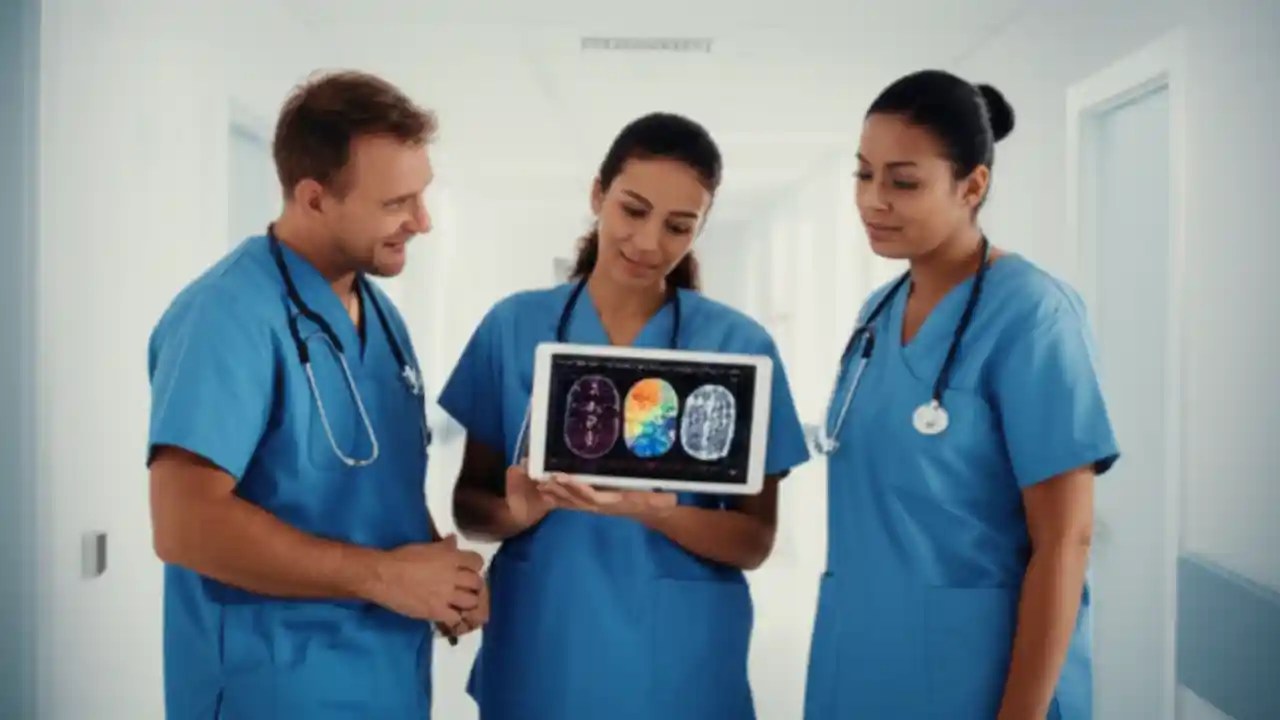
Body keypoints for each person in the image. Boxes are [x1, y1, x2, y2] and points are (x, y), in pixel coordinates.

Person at [438, 112, 811, 720]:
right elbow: (470, 506)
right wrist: (518, 510)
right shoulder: (513, 327)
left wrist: (655, 513)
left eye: (678, 226)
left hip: (680, 659)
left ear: (699, 229)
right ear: (598, 195)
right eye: (633, 211)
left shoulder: (738, 346)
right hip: (544, 645)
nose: (649, 243)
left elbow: (754, 540)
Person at [146, 70, 488, 720]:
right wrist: (386, 578)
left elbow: (373, 491)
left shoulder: (381, 318)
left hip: (387, 681)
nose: (422, 221)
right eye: (396, 204)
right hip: (272, 690)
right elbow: (184, 524)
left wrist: (443, 581)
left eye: (422, 196)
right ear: (313, 198)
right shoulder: (227, 315)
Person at [803, 69, 1120, 720]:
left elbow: (1066, 540)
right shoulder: (876, 312)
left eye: (903, 181)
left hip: (977, 681)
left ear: (973, 185)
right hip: (859, 665)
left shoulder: (1033, 315)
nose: (872, 200)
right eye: (863, 174)